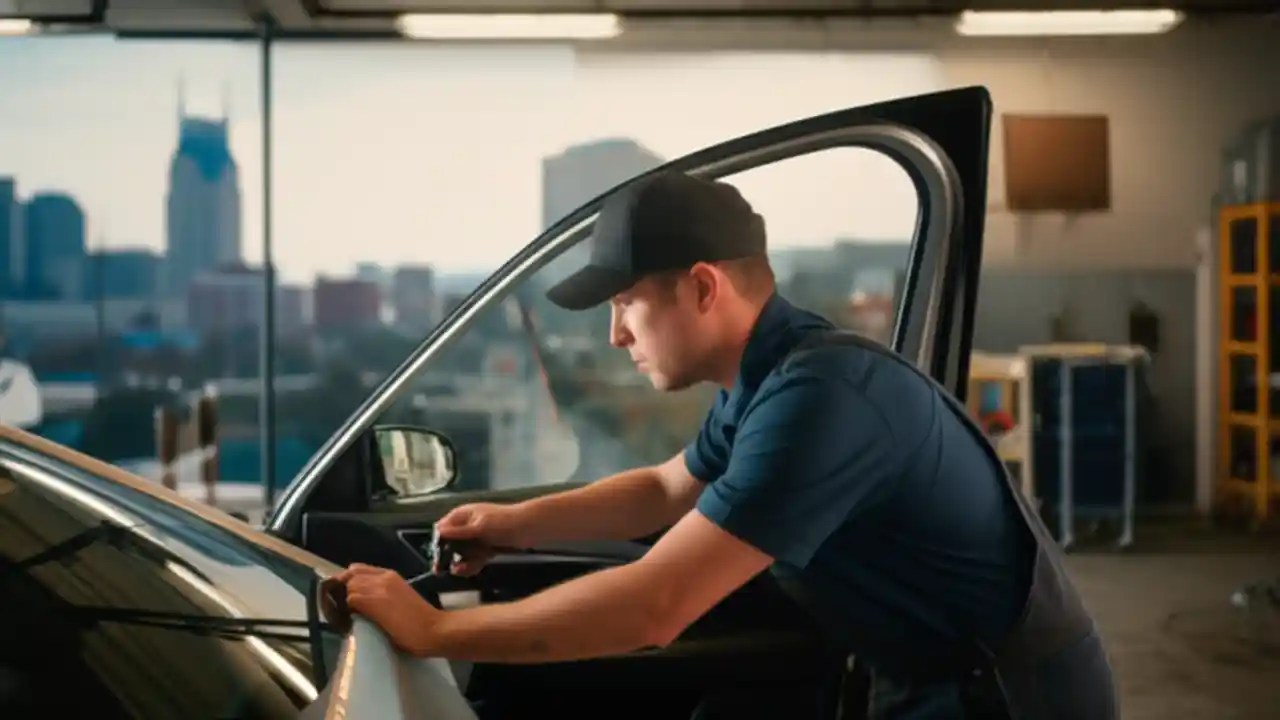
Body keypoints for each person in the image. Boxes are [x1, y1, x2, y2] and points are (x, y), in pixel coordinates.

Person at [334, 171, 1118, 719]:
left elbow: (655, 606)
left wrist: (431, 631)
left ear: (704, 287)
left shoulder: (821, 399)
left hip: (1004, 696)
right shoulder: (770, 376)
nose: (615, 335)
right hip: (920, 672)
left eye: (626, 303)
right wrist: (512, 524)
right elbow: (665, 490)